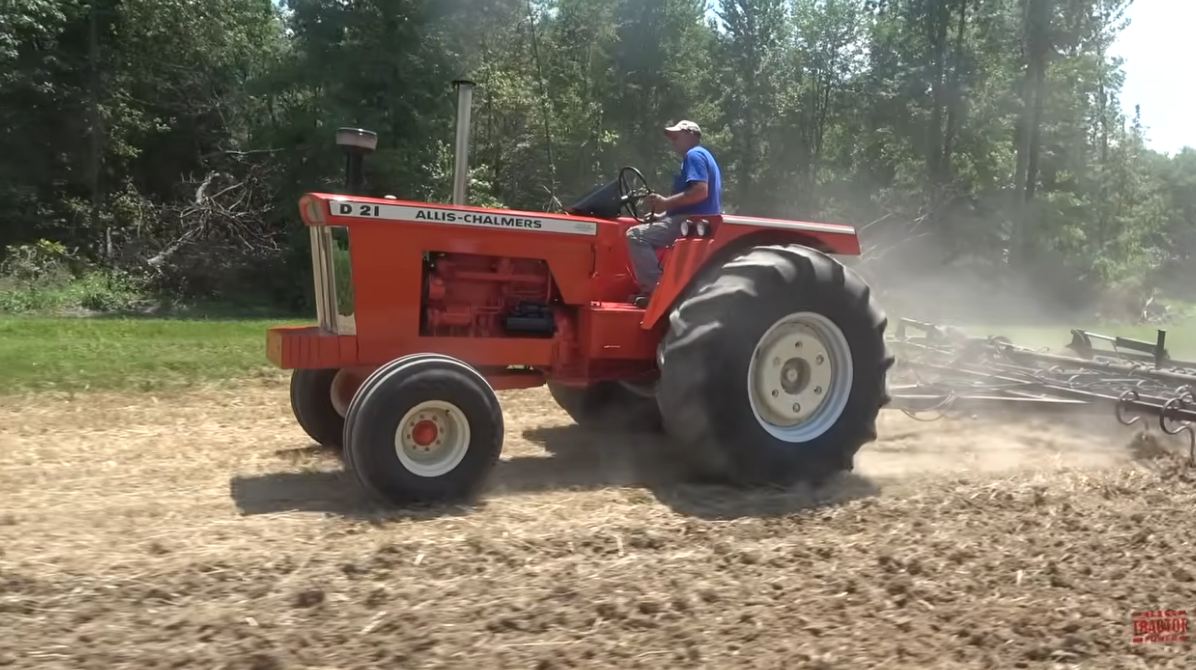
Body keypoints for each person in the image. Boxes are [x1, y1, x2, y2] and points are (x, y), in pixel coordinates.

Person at [626, 120, 722, 306]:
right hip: (692, 218)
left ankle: (656, 292)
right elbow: (691, 200)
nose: (673, 141)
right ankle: (664, 285)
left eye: (677, 136)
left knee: (636, 236)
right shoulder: (703, 156)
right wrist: (662, 216)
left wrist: (665, 203)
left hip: (692, 221)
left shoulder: (694, 155)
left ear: (691, 135)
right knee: (645, 232)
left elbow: (701, 191)